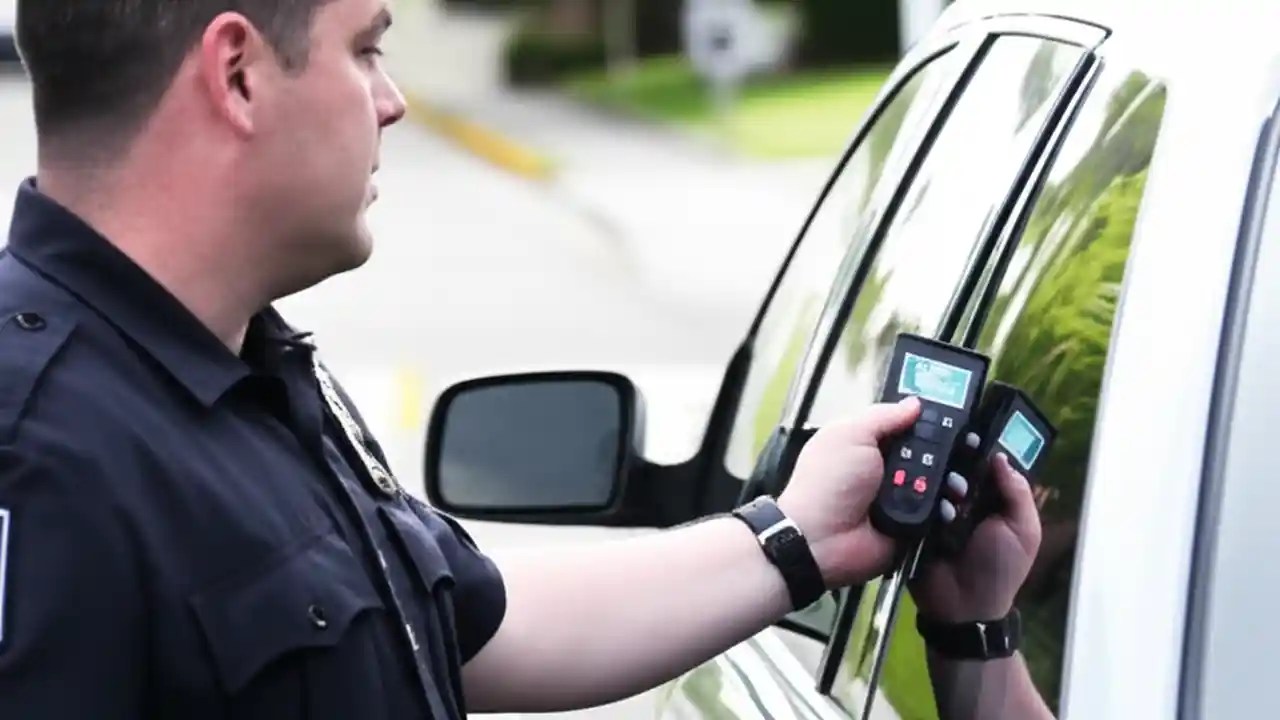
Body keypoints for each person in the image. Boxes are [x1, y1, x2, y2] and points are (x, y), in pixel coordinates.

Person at [0, 1, 1051, 718]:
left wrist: (798, 538)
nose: (393, 98)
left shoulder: (248, 376)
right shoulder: (36, 455)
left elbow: (479, 625)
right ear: (236, 73)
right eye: (365, 47)